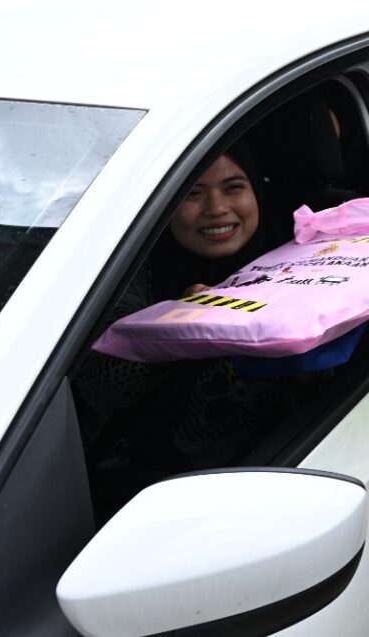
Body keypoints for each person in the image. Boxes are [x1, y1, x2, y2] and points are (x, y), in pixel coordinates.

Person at [74, 146, 306, 518]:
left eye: (233, 187)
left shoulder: (303, 265)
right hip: (135, 501)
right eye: (191, 193)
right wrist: (176, 326)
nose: (216, 207)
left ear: (256, 191)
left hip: (267, 488)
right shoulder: (125, 271)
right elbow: (97, 383)